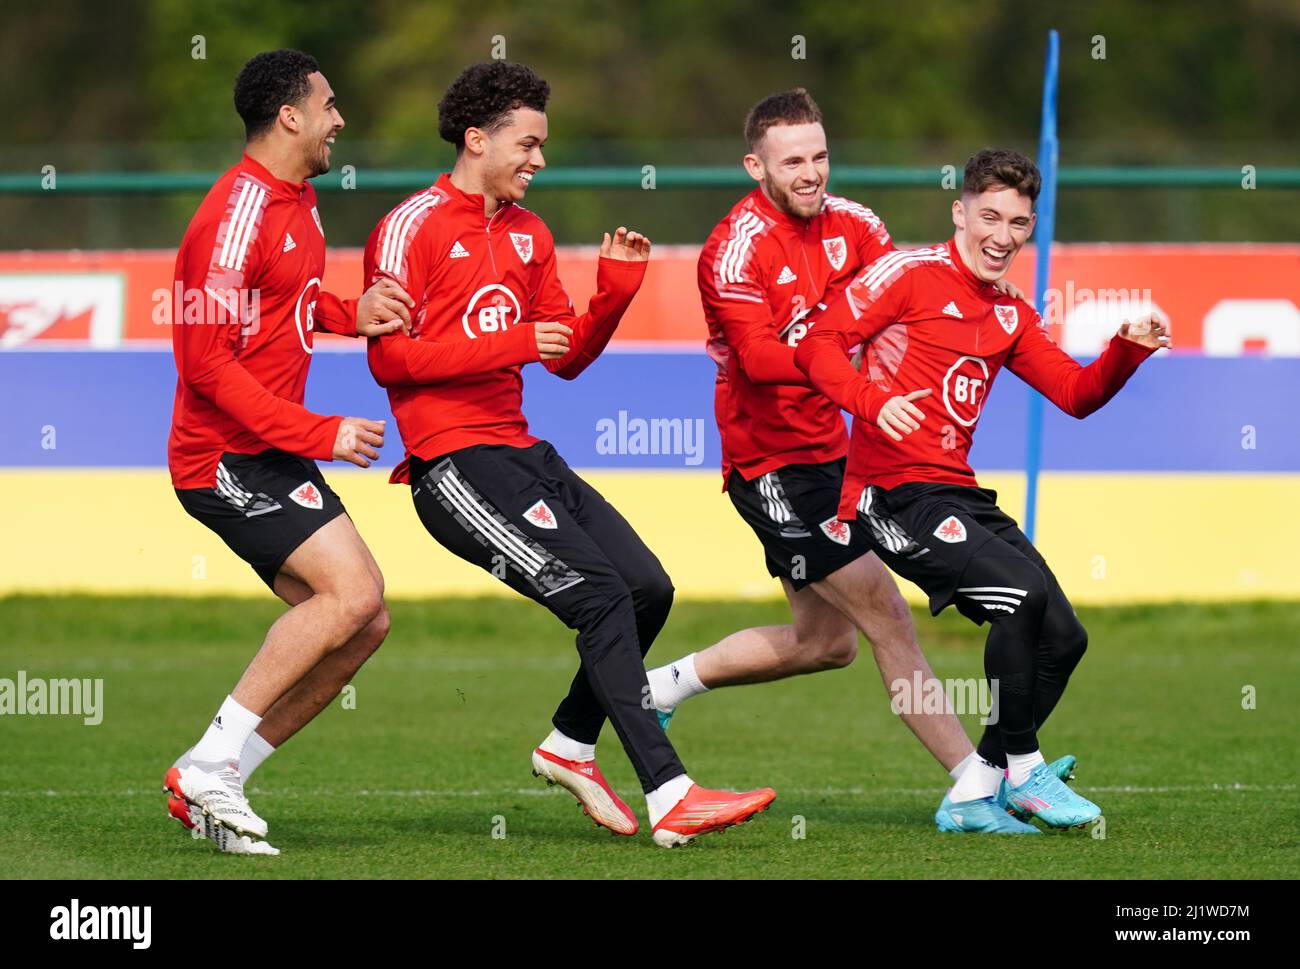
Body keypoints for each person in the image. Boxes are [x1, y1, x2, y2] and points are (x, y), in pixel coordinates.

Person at [363, 60, 775, 847]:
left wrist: (614, 294)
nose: (539, 160)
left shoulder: (532, 233)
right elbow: (391, 362)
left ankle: (569, 744)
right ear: (476, 139)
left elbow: (565, 357)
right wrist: (512, 339)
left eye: (543, 146)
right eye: (528, 143)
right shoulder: (411, 225)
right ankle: (670, 790)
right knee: (597, 599)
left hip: (523, 453)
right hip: (452, 466)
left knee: (647, 587)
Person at [647, 90, 1074, 824]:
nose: (812, 172)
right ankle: (975, 782)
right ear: (756, 166)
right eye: (792, 161)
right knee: (886, 613)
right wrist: (860, 386)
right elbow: (755, 357)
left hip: (841, 450)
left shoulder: (859, 226)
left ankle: (657, 690)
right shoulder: (734, 247)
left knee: (825, 643)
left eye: (819, 155)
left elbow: (896, 302)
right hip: (774, 463)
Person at [795, 147, 1169, 833]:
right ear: (959, 212)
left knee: (1065, 635)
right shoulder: (908, 275)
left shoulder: (1010, 314)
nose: (1002, 235)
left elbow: (1076, 394)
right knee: (1019, 599)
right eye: (989, 216)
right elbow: (817, 343)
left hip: (957, 494)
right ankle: (1026, 772)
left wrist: (1125, 350)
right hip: (889, 494)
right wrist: (869, 400)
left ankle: (980, 787)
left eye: (1019, 222)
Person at [163, 49, 416, 854]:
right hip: (222, 459)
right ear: (290, 115)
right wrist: (322, 433)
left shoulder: (299, 199)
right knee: (349, 594)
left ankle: (220, 772)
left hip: (267, 450)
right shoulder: (233, 214)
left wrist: (351, 312)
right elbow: (204, 362)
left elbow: (284, 309)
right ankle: (209, 757)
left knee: (365, 619)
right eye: (329, 104)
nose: (341, 118)